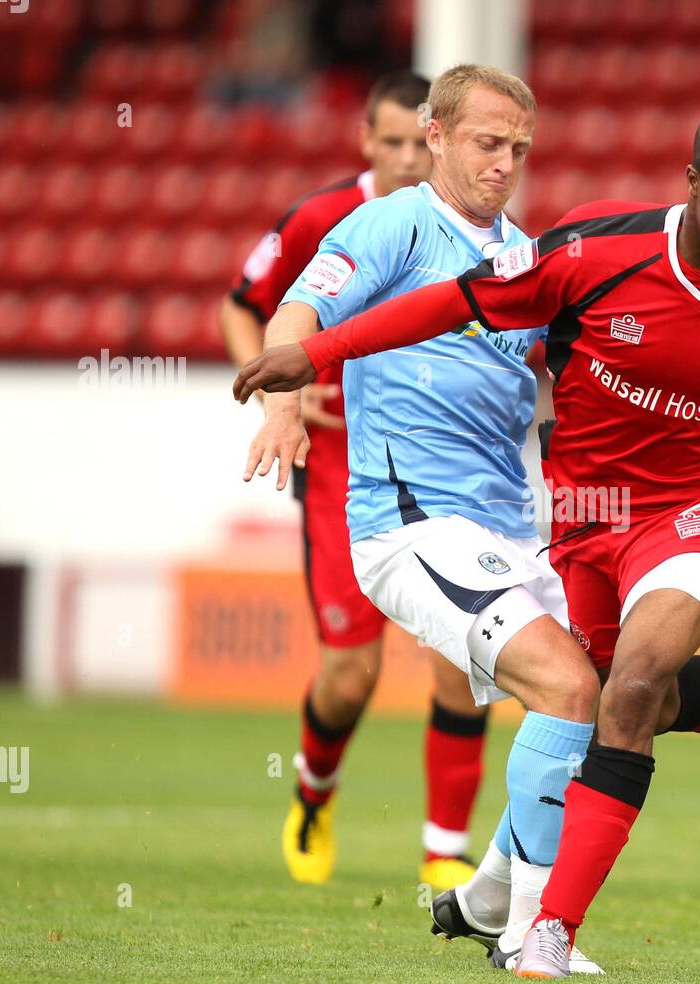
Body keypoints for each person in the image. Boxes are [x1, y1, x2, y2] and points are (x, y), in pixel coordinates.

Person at [233, 106, 700, 978]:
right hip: (588, 518)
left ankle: (545, 928)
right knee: (620, 699)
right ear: (691, 183)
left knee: (621, 690)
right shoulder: (592, 251)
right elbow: (452, 302)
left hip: (697, 511)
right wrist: (321, 352)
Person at [221, 71, 492, 893]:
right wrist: (279, 390)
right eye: (394, 142)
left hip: (440, 471)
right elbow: (245, 304)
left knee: (463, 660)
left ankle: (444, 850)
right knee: (353, 672)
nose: (410, 157)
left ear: (439, 139)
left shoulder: (473, 231)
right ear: (366, 144)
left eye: (422, 141)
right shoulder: (321, 217)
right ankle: (314, 792)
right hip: (341, 465)